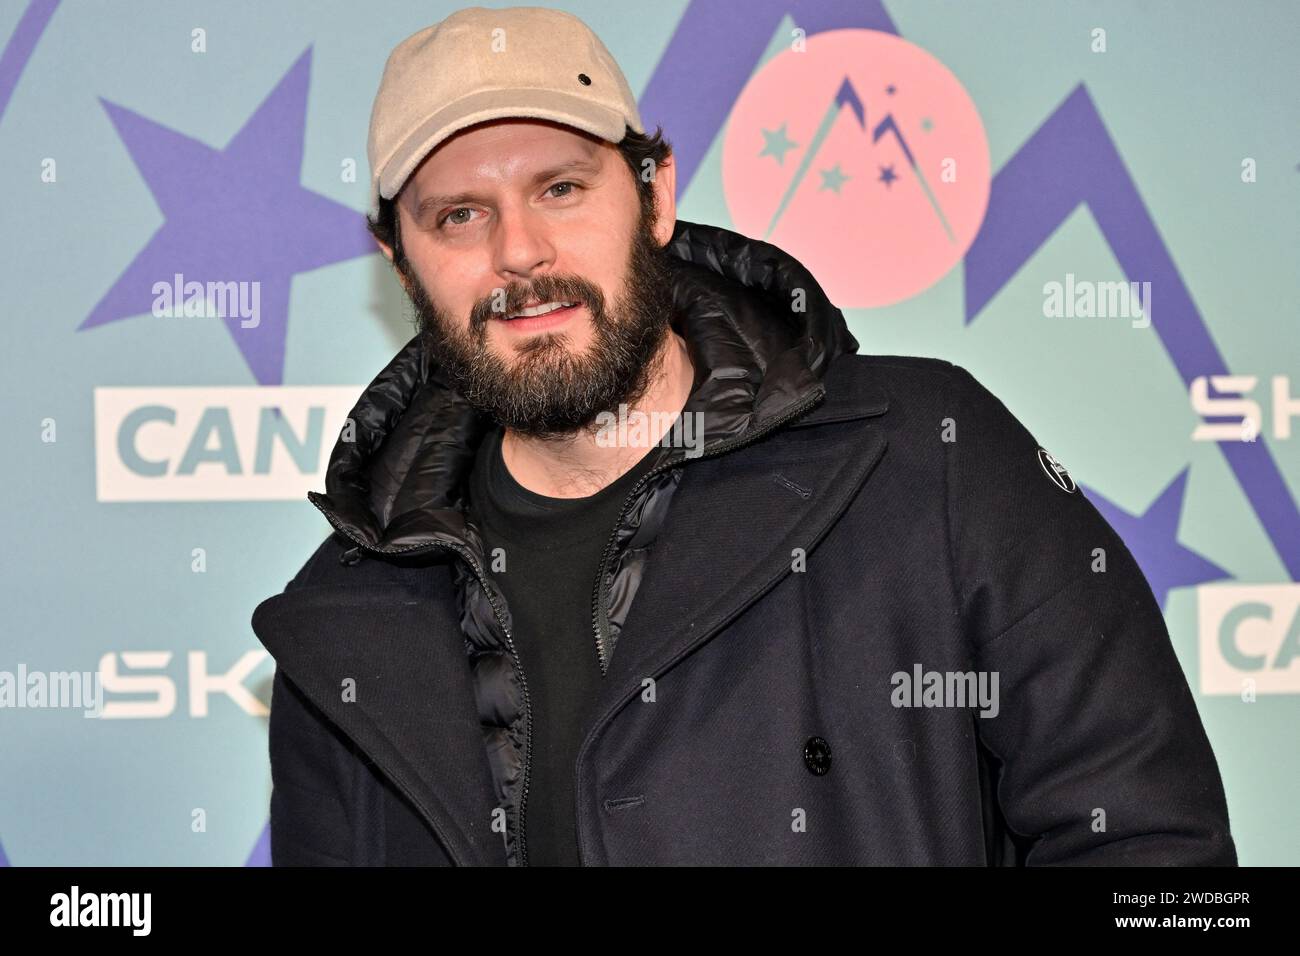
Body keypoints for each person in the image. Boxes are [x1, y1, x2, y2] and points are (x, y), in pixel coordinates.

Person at [251, 6, 1236, 866]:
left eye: (561, 187)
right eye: (459, 214)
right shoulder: (347, 618)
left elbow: (1150, 849)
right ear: (399, 257)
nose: (519, 253)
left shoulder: (929, 459)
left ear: (654, 193)